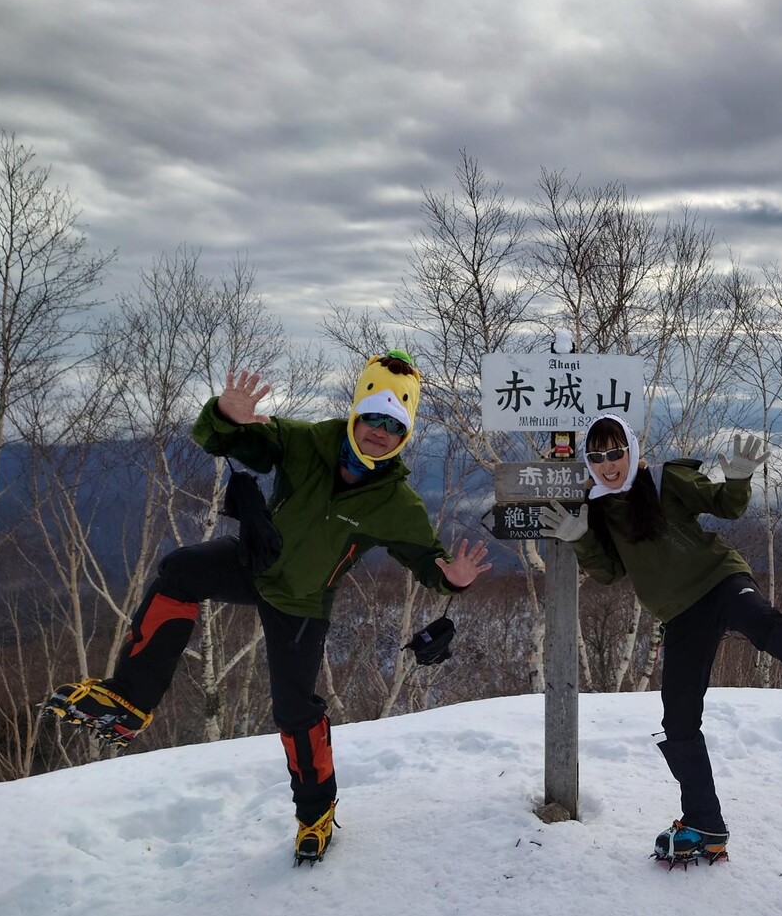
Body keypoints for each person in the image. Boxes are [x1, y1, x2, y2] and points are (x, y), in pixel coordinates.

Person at [45, 350, 492, 865]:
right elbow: (229, 439)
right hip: (253, 562)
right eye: (373, 416)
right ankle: (129, 701)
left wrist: (451, 579)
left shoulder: (396, 503)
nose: (379, 431)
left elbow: (426, 558)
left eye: (394, 425)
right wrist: (226, 415)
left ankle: (315, 814)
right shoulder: (307, 442)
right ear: (355, 414)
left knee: (295, 709)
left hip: (303, 600)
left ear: (405, 435)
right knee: (179, 571)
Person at [539, 414, 782, 867]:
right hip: (679, 614)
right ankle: (705, 824)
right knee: (679, 718)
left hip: (720, 579)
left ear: (631, 450)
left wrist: (738, 479)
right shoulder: (598, 509)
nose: (608, 464)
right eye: (597, 456)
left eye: (616, 452)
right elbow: (610, 572)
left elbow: (725, 505)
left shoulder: (667, 481)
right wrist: (580, 538)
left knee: (766, 625)